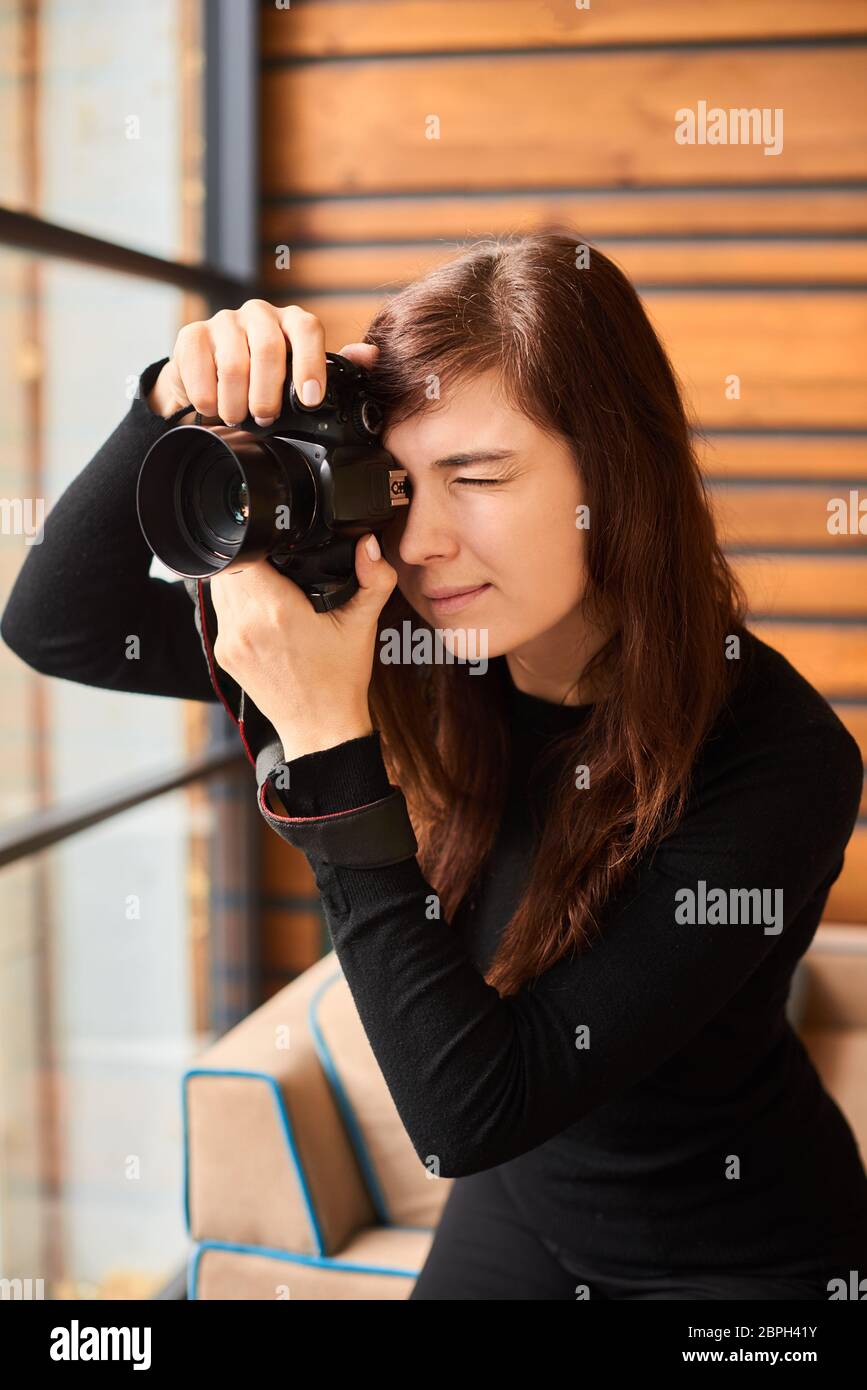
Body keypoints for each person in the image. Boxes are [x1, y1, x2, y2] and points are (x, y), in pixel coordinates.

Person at [3, 231, 866, 1301]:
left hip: (736, 1260)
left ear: (619, 475)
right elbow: (58, 627)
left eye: (479, 475)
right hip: (522, 1205)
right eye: (404, 483)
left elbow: (471, 1112)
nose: (423, 544)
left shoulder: (782, 760)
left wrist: (329, 748)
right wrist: (174, 397)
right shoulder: (412, 644)